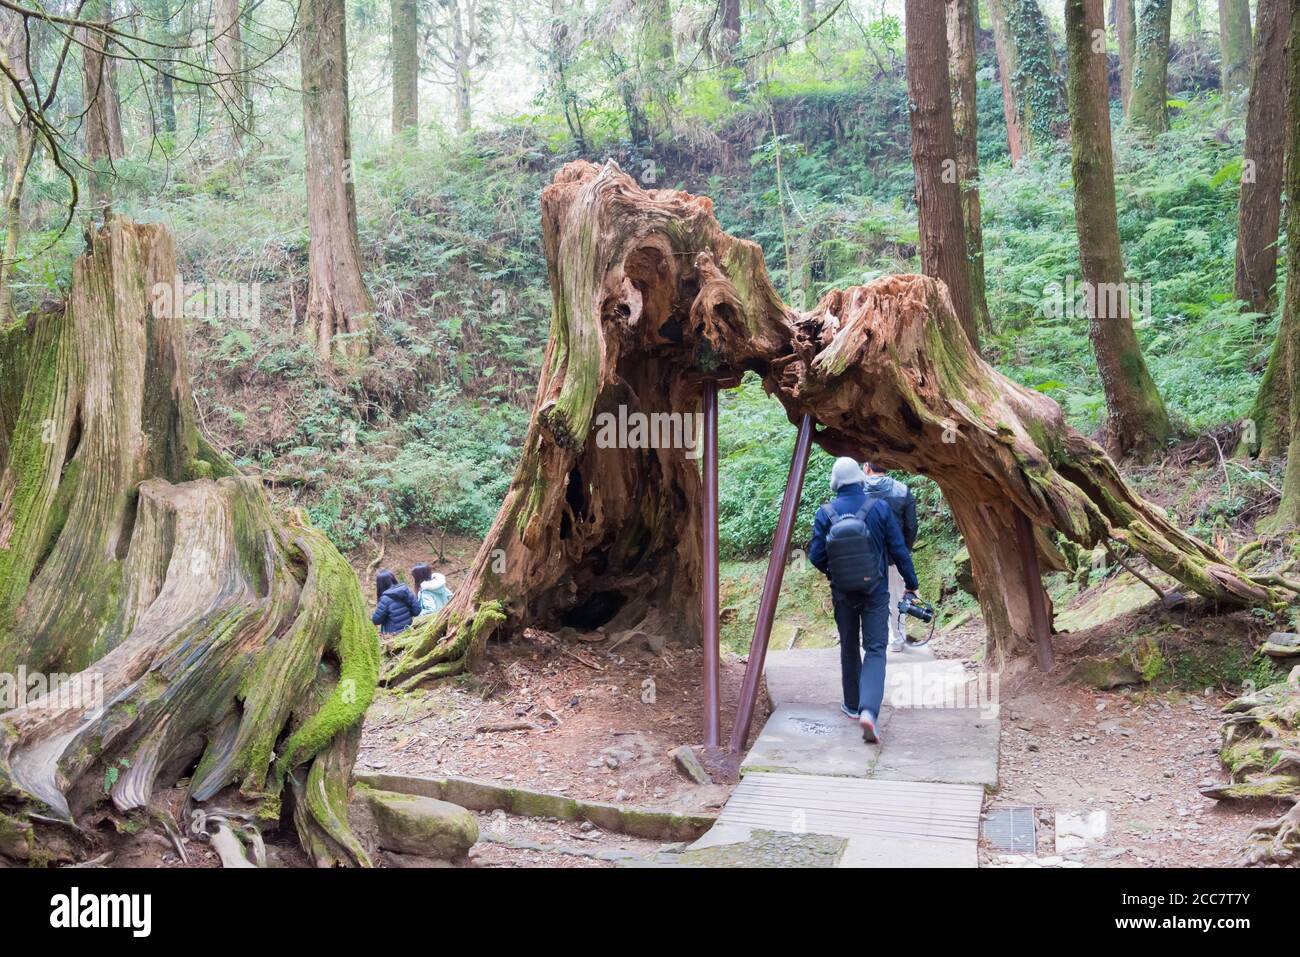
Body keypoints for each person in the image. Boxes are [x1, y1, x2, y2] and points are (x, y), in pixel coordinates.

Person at [809, 457, 920, 744]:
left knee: (849, 646)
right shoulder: (879, 508)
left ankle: (852, 705)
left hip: (843, 593)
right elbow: (898, 549)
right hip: (875, 592)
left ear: (835, 483)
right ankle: (869, 711)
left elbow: (815, 556)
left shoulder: (826, 513)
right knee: (874, 649)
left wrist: (837, 572)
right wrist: (911, 582)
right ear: (861, 477)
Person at [862, 461, 919, 653]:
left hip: (866, 557)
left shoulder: (857, 492)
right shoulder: (902, 490)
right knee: (896, 599)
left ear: (867, 467)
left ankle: (873, 641)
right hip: (895, 557)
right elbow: (911, 526)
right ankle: (897, 641)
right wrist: (903, 551)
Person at [372, 568, 420, 634]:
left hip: (394, 635)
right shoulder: (405, 590)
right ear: (392, 578)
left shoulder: (385, 599)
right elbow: (417, 610)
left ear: (380, 584)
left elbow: (376, 620)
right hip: (409, 630)